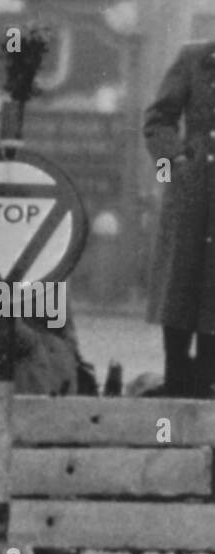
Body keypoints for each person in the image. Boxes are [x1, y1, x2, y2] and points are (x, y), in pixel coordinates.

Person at [143, 40, 215, 397]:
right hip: (192, 187)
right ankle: (175, 378)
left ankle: (205, 381)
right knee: (179, 277)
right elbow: (158, 121)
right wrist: (171, 165)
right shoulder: (194, 58)